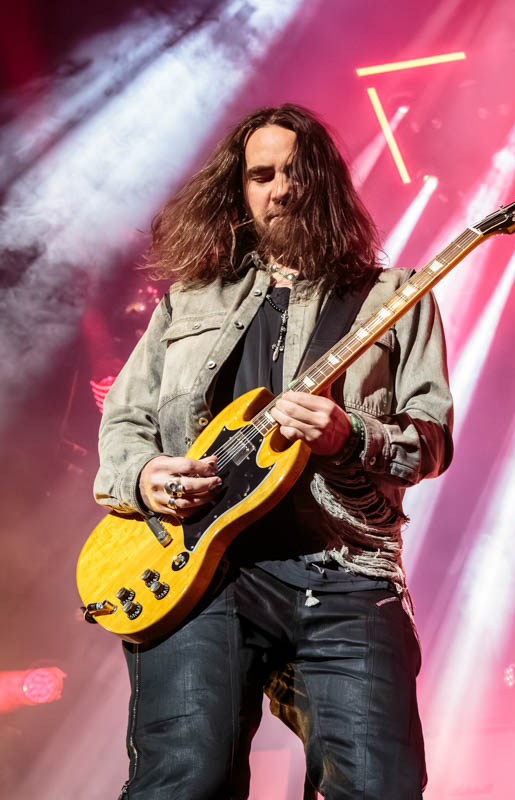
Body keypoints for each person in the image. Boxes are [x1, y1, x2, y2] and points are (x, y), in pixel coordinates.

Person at [93, 104, 453, 799]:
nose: (280, 189)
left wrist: (351, 434)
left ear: (324, 184)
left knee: (382, 784)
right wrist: (147, 476)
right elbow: (126, 422)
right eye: (262, 175)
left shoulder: (395, 297)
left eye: (295, 173)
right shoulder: (189, 301)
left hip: (345, 567)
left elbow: (430, 443)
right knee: (185, 780)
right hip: (203, 570)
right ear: (240, 189)